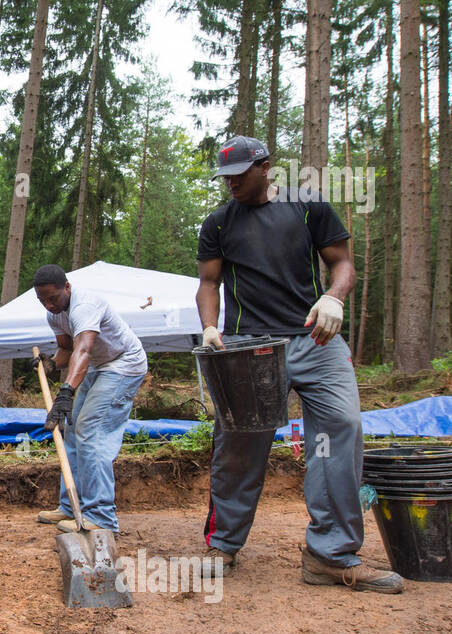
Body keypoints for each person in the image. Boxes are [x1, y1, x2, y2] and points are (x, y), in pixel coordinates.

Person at [196, 135, 403, 593]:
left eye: (238, 176)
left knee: (341, 428)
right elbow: (208, 283)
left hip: (316, 336)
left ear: (265, 167)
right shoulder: (218, 223)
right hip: (250, 347)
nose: (229, 184)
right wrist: (211, 327)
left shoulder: (307, 207)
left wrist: (334, 296)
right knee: (239, 442)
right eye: (223, 178)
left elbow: (343, 263)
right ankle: (222, 544)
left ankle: (330, 555)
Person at [32, 264, 148, 535]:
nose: (48, 305)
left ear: (67, 288)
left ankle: (102, 515)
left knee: (90, 431)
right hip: (98, 366)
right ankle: (70, 506)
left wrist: (66, 392)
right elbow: (66, 350)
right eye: (42, 300)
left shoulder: (85, 305)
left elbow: (83, 349)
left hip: (124, 364)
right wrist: (49, 365)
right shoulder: (55, 315)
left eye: (53, 298)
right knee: (71, 428)